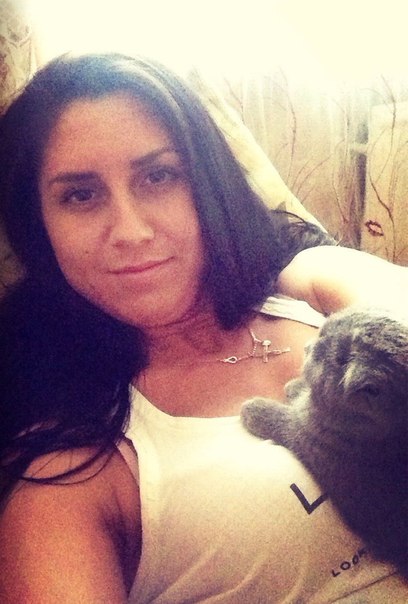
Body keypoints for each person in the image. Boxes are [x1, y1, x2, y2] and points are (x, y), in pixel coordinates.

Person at [0, 53, 407, 603]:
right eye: (81, 195)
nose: (131, 231)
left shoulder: (305, 282)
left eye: (158, 176)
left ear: (206, 185)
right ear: (39, 226)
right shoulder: (73, 468)